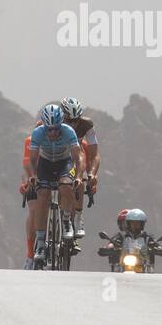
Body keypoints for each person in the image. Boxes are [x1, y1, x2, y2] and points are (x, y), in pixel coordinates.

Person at [25, 103, 84, 265]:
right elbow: (32, 160)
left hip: (64, 163)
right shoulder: (38, 133)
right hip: (45, 164)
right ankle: (41, 244)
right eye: (49, 129)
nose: (53, 133)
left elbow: (78, 158)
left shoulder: (68, 131)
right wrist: (33, 176)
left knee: (65, 186)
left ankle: (66, 220)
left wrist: (78, 176)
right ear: (44, 126)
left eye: (56, 128)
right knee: (42, 195)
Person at [60, 96, 99, 238]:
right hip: (57, 155)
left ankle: (78, 215)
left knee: (79, 179)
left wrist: (92, 174)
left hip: (76, 155)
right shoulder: (54, 123)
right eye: (69, 120)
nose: (74, 124)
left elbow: (94, 154)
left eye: (76, 120)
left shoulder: (86, 125)